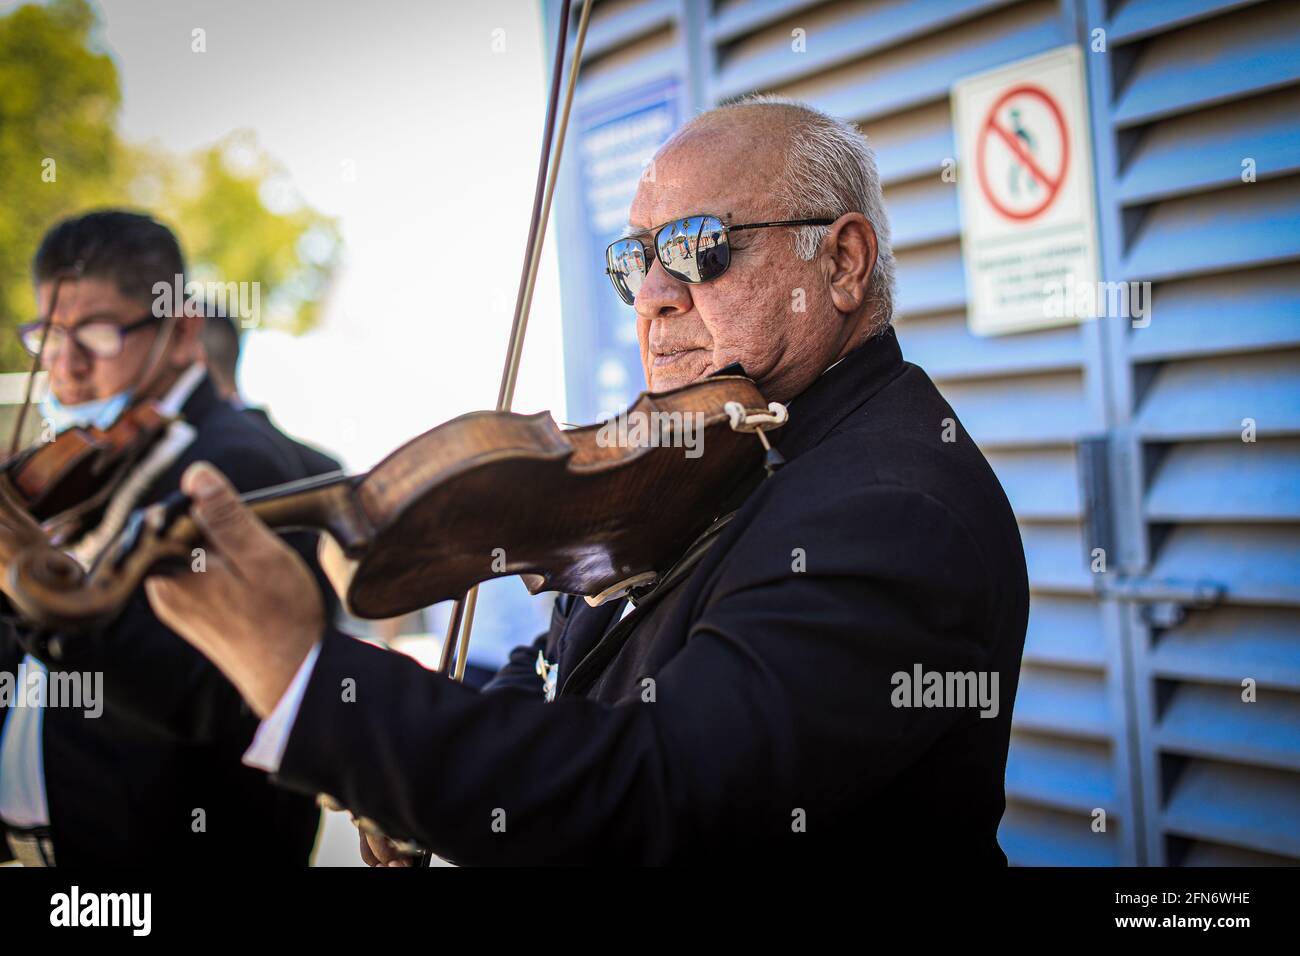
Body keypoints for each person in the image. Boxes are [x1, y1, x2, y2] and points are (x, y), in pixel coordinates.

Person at [147, 98, 1030, 865]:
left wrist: (309, 683)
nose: (651, 295)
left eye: (696, 248)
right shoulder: (713, 451)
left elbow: (662, 791)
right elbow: (556, 665)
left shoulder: (892, 507)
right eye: (633, 260)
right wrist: (426, 784)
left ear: (840, 263)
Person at [0, 211, 335, 865]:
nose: (64, 367)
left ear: (181, 331)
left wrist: (30, 584)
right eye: (48, 334)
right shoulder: (87, 464)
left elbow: (205, 690)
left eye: (96, 334)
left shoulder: (239, 466)